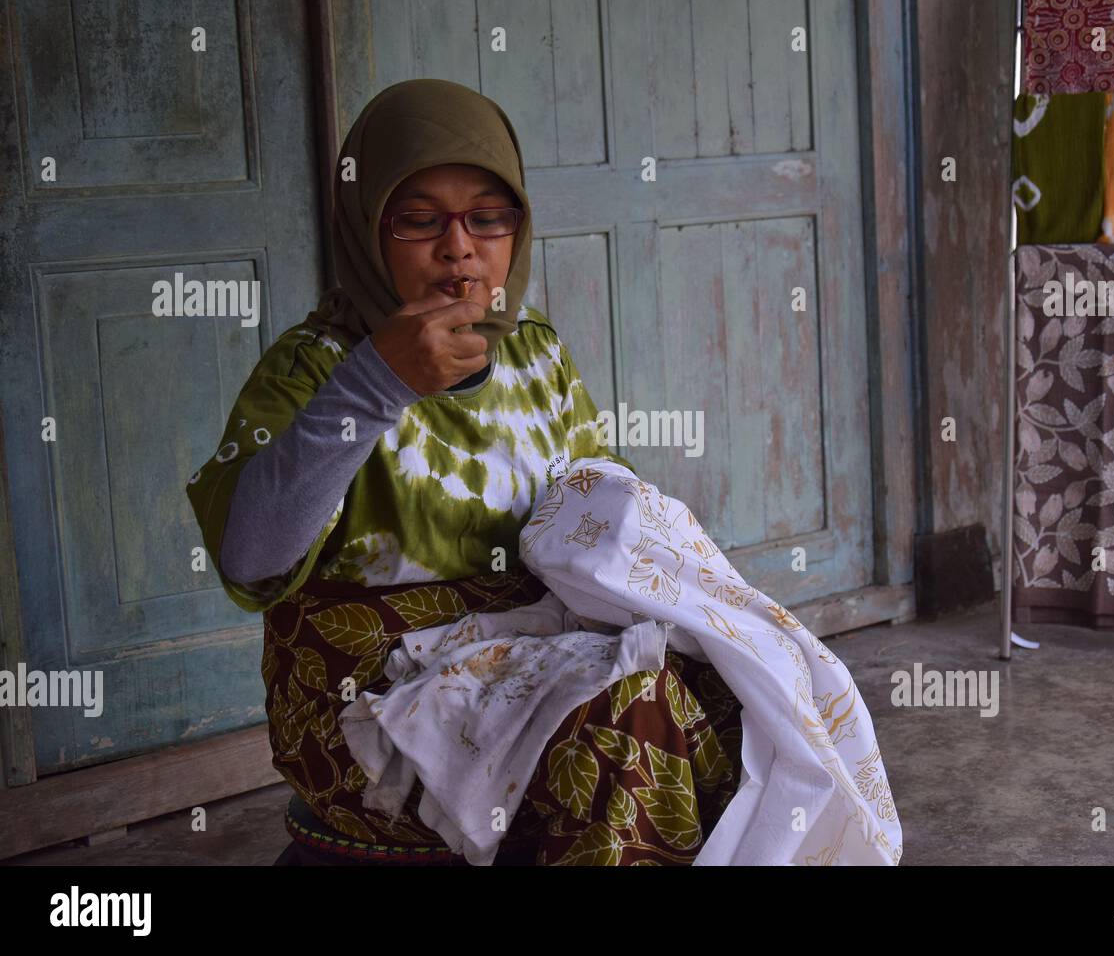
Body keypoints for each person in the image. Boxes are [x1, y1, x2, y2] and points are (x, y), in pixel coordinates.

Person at [186, 79, 743, 866]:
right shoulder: (312, 370)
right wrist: (379, 381)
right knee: (626, 726)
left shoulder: (533, 350)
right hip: (367, 698)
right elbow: (249, 556)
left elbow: (602, 508)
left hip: (526, 649)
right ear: (367, 230)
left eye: (488, 217)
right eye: (419, 220)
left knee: (730, 688)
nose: (460, 247)